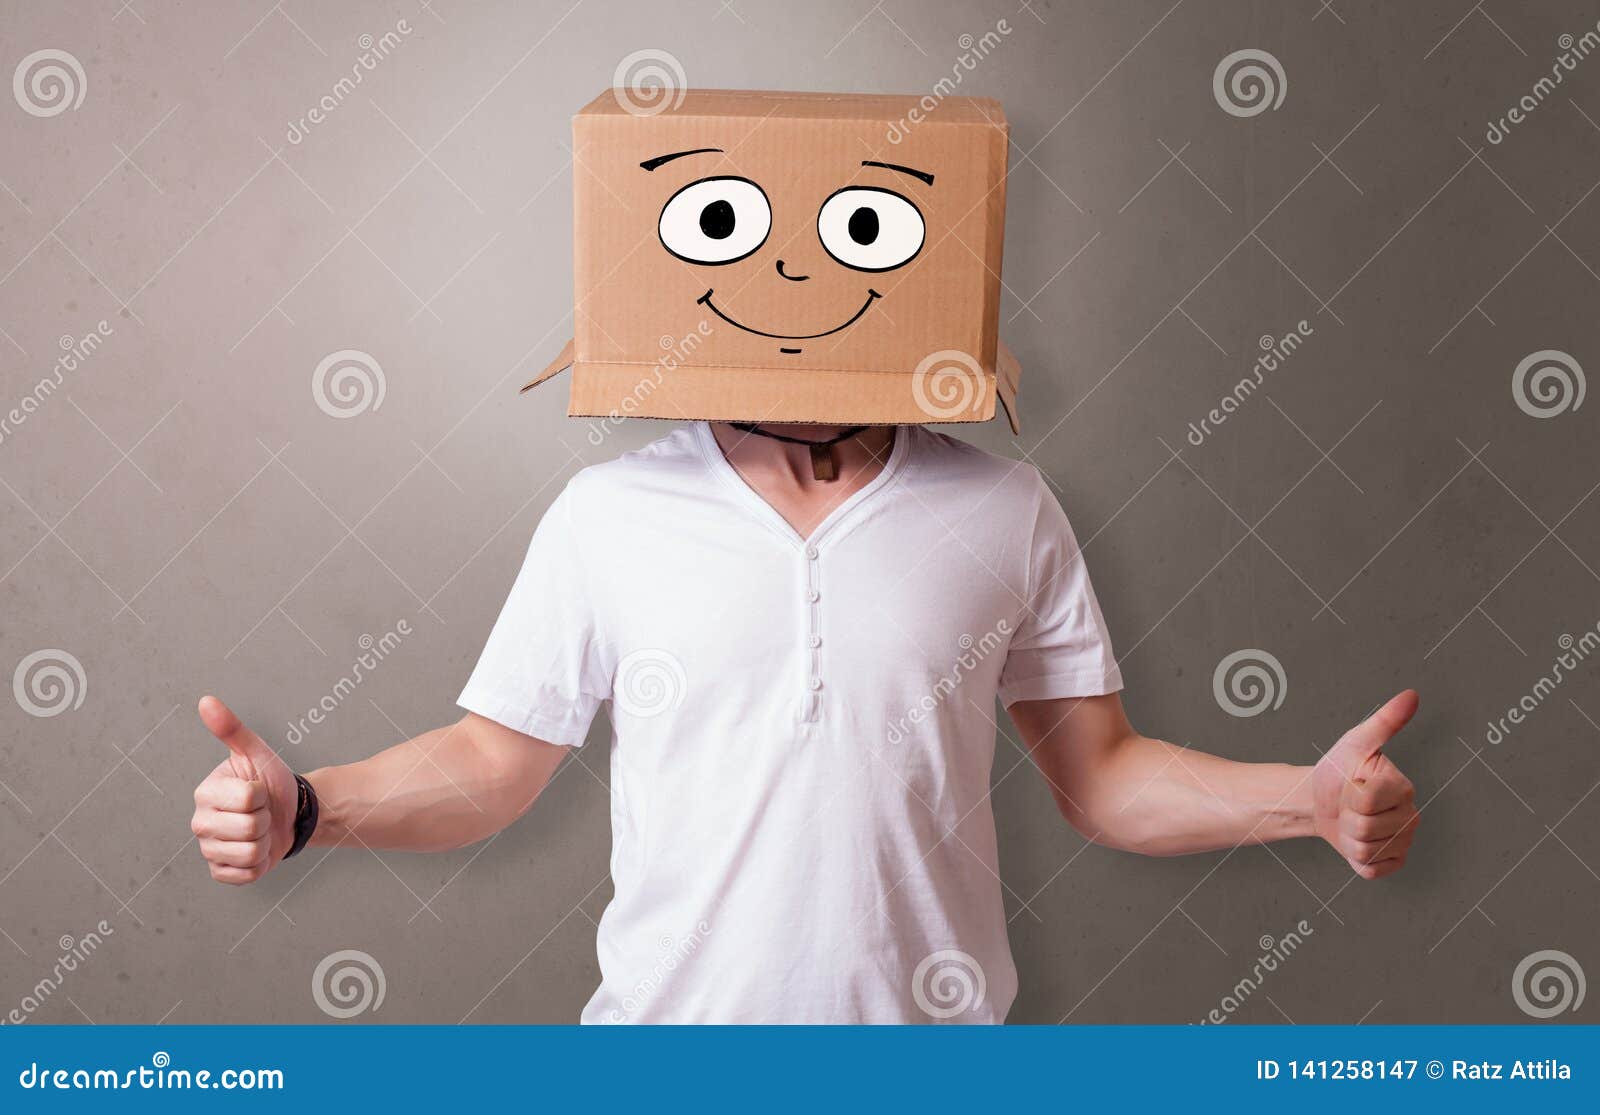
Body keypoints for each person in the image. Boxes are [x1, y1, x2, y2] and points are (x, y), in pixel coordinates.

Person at [190, 418, 1420, 1023]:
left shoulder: (1004, 505)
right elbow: (491, 764)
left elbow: (1100, 777)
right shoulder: (611, 510)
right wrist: (308, 807)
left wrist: (1300, 801)